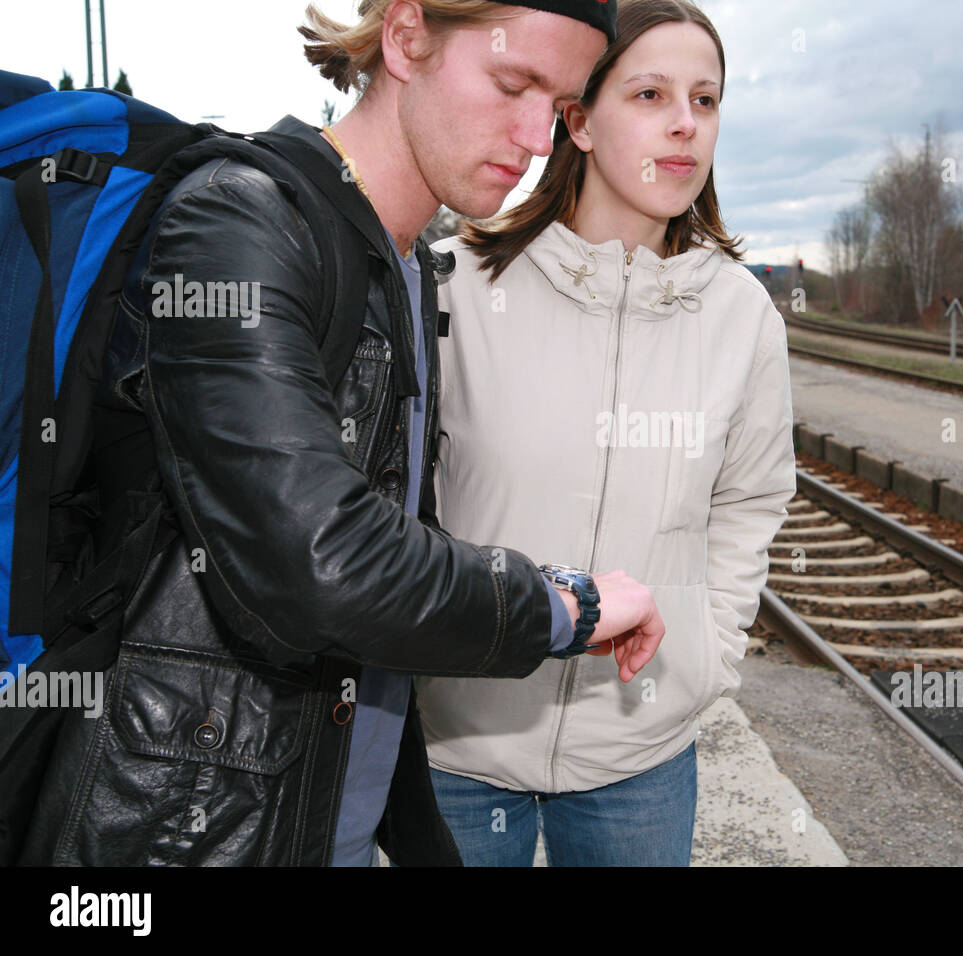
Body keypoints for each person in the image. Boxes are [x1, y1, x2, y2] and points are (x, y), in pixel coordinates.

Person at [17, 0, 667, 867]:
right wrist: (566, 605)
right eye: (514, 83)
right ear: (405, 35)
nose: (536, 138)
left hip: (323, 819)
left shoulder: (404, 267)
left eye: (560, 106)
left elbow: (392, 542)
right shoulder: (236, 222)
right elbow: (323, 561)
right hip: (184, 832)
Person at [418, 0, 796, 866]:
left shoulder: (742, 316)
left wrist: (709, 656)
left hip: (641, 755)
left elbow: (752, 496)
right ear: (579, 121)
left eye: (706, 101)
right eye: (651, 94)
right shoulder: (458, 286)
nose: (684, 125)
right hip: (458, 751)